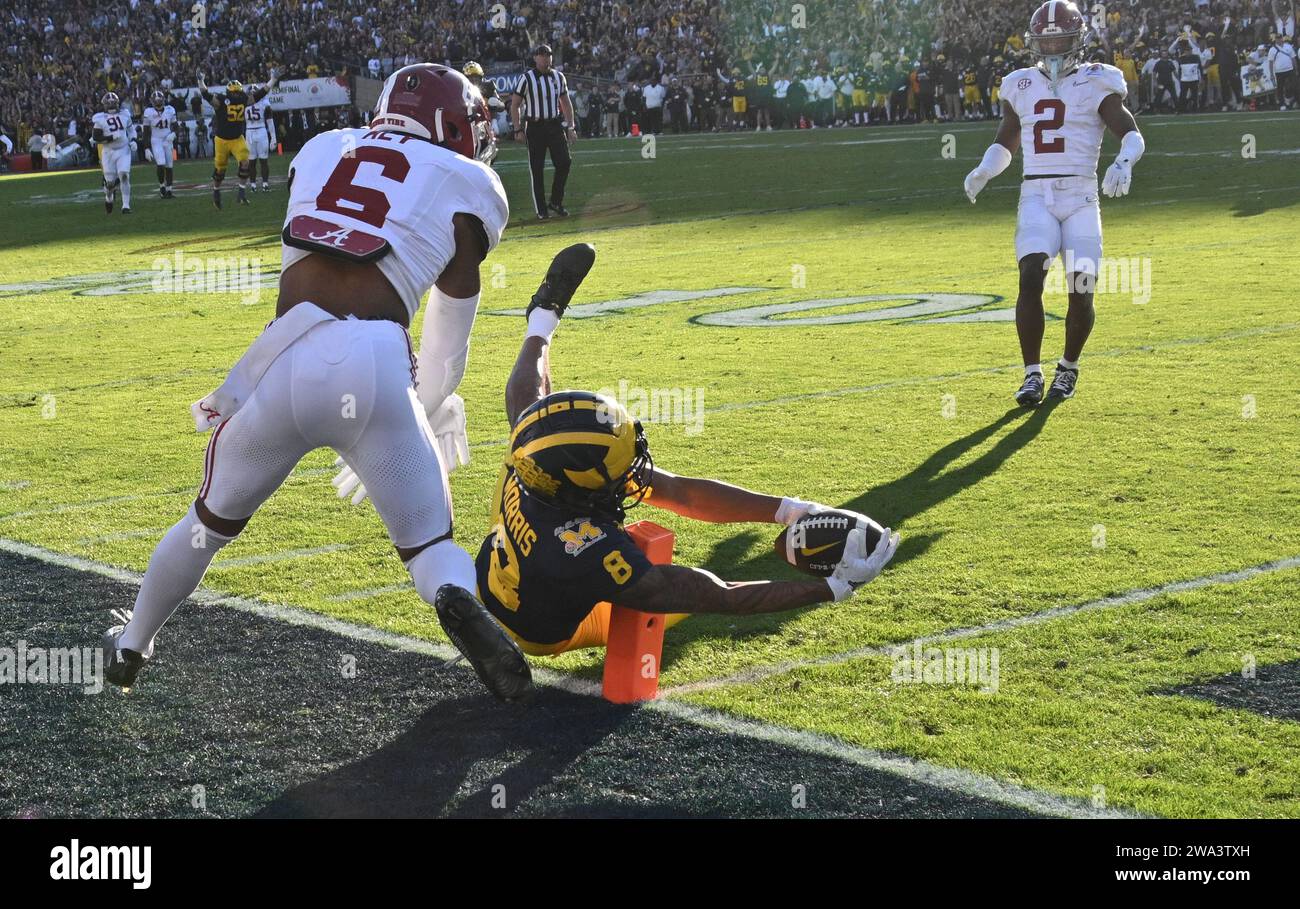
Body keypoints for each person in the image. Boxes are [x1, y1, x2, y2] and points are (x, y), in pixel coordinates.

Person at [100, 64, 531, 703]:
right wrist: (425, 405)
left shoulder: (325, 147)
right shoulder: (470, 183)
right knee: (429, 547)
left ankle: (133, 643)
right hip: (375, 359)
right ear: (453, 125)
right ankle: (454, 598)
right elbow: (447, 345)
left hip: (284, 355)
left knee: (206, 523)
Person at [476, 245, 900, 657]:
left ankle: (542, 315)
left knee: (535, 417)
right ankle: (499, 648)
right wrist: (829, 589)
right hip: (537, 630)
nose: (633, 468)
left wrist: (791, 510)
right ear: (577, 490)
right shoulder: (584, 550)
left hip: (499, 563)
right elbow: (721, 595)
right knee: (673, 601)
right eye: (618, 468)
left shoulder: (533, 453)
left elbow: (680, 491)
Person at [964, 0, 1145, 406]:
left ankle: (1068, 367)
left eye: (1060, 39)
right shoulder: (1020, 83)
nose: (1051, 47)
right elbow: (1006, 139)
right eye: (1045, 41)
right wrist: (985, 169)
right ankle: (1032, 374)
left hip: (1081, 196)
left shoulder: (1097, 79)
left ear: (1077, 39)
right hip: (1036, 194)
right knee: (1030, 276)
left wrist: (1124, 160)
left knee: (1081, 290)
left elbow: (1130, 132)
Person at [509, 44, 577, 220]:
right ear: (535, 58)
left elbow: (566, 102)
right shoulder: (526, 78)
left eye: (548, 54)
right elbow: (515, 104)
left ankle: (555, 201)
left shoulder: (558, 77)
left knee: (564, 162)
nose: (546, 58)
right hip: (535, 126)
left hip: (554, 125)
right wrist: (517, 129)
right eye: (542, 54)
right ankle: (541, 209)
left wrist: (571, 127)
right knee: (537, 169)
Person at [198, 71, 278, 208]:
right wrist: (200, 81)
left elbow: (260, 94)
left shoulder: (243, 100)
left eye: (237, 92)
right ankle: (216, 192)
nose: (236, 95)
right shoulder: (221, 101)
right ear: (229, 92)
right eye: (234, 93)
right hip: (221, 140)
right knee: (220, 170)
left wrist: (273, 80)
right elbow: (205, 94)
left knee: (245, 163)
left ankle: (241, 193)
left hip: (237, 138)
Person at [92, 92, 133, 214]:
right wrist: (111, 137)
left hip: (123, 149)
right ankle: (108, 197)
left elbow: (131, 130)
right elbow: (96, 137)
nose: (111, 105)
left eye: (113, 103)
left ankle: (126, 206)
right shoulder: (99, 118)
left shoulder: (125, 114)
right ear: (104, 104)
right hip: (108, 151)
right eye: (109, 103)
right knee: (110, 183)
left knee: (124, 175)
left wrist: (133, 140)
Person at [142, 90, 177, 198]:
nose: (158, 103)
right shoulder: (148, 112)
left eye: (159, 100)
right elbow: (146, 132)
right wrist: (146, 148)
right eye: (156, 101)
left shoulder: (170, 110)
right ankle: (162, 187)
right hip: (156, 140)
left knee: (169, 165)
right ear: (152, 102)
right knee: (161, 164)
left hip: (167, 140)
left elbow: (175, 125)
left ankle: (169, 190)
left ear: (163, 100)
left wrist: (174, 134)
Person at [243, 88, 276, 191]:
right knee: (262, 160)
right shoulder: (265, 104)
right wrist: (273, 138)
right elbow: (270, 122)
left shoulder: (244, 104)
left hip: (250, 132)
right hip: (260, 131)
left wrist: (273, 138)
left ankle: (254, 185)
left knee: (254, 161)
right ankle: (263, 184)